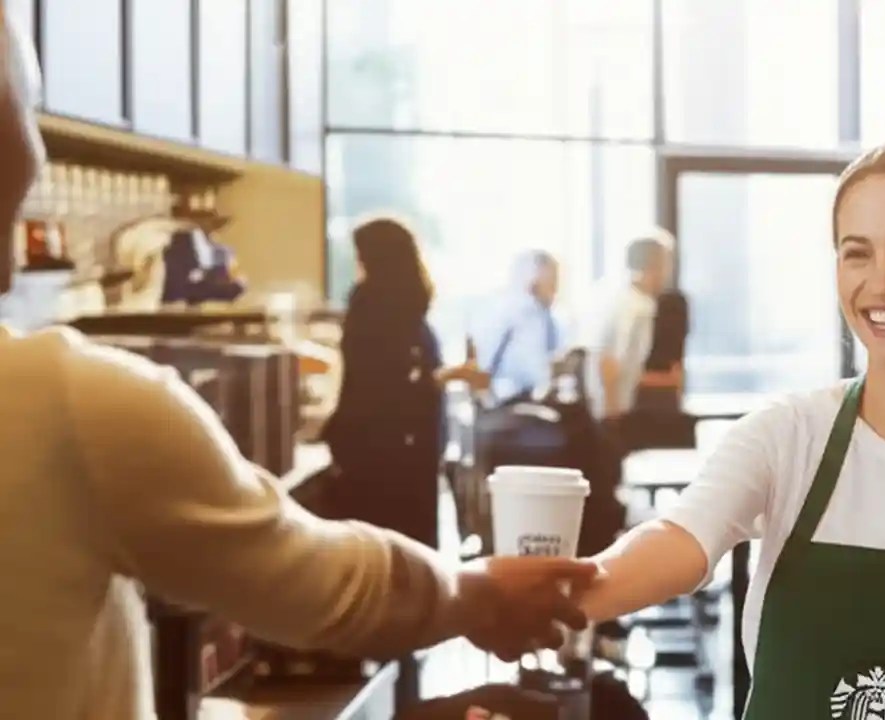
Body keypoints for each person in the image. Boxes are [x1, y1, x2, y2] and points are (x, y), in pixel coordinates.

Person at [0, 17, 595, 720]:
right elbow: (315, 580)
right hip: (395, 470)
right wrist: (480, 595)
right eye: (29, 106)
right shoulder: (68, 402)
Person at [578, 140, 885, 717]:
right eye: (857, 253)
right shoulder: (787, 434)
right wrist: (563, 593)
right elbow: (679, 540)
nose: (883, 280)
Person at [323, 217, 488, 548]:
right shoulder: (397, 307)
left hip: (385, 453)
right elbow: (401, 378)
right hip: (400, 452)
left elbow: (393, 379)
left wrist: (450, 374)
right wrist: (453, 374)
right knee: (410, 548)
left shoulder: (373, 304)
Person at [583, 229, 674, 432]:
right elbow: (609, 359)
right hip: (608, 412)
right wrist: (612, 408)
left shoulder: (620, 298)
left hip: (610, 408)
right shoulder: (633, 306)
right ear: (655, 264)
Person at [470, 249, 564, 404]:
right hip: (509, 403)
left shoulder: (544, 317)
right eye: (553, 283)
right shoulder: (526, 314)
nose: (555, 291)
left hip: (503, 401)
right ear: (534, 283)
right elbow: (536, 374)